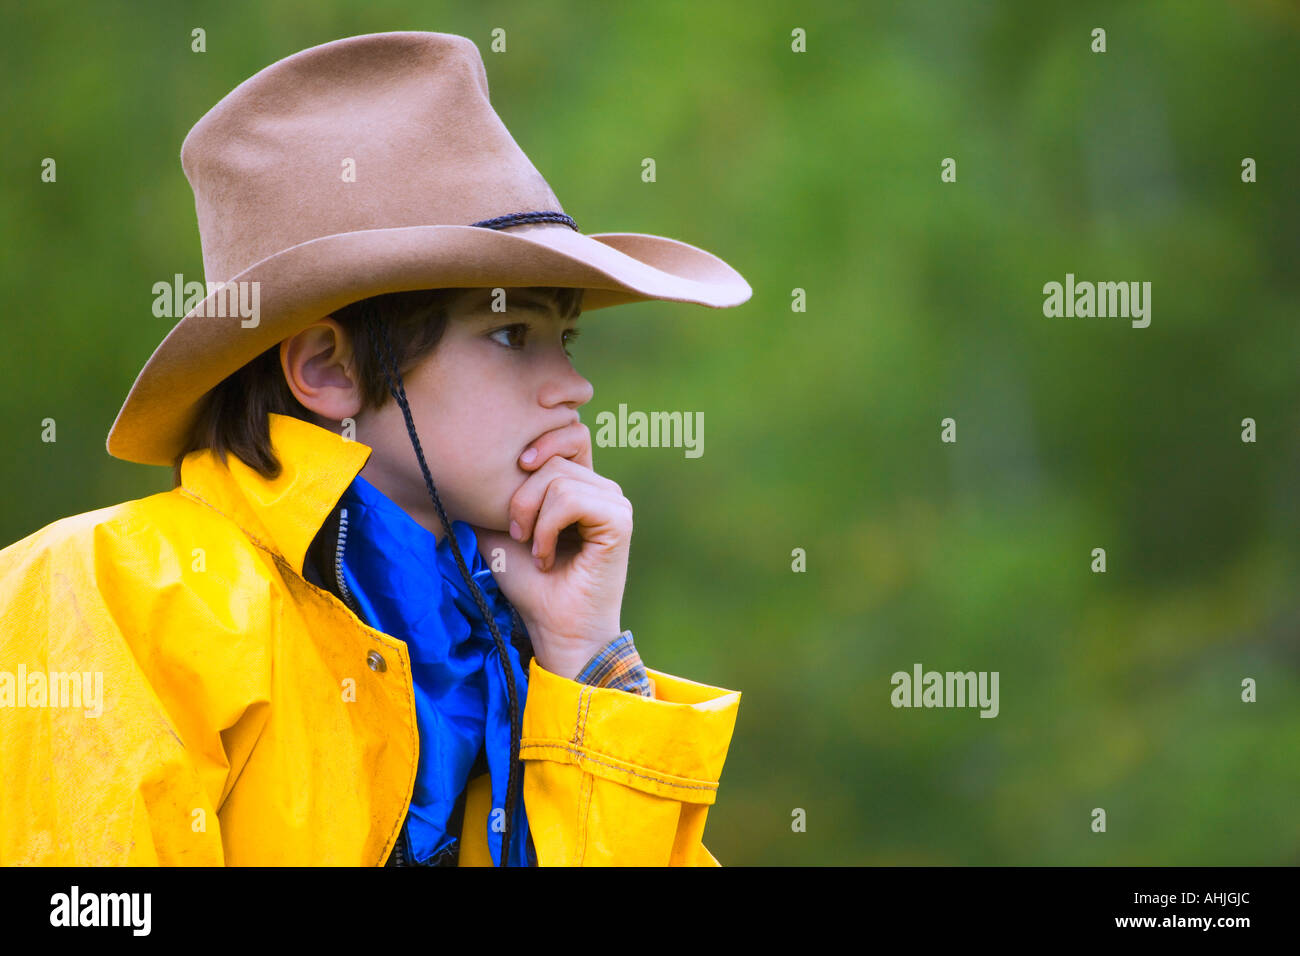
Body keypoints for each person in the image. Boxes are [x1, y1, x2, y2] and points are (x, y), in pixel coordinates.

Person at [0, 31, 749, 866]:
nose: (574, 388)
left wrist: (586, 665)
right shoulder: (108, 593)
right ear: (328, 368)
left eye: (564, 338)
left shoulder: (506, 635)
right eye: (511, 334)